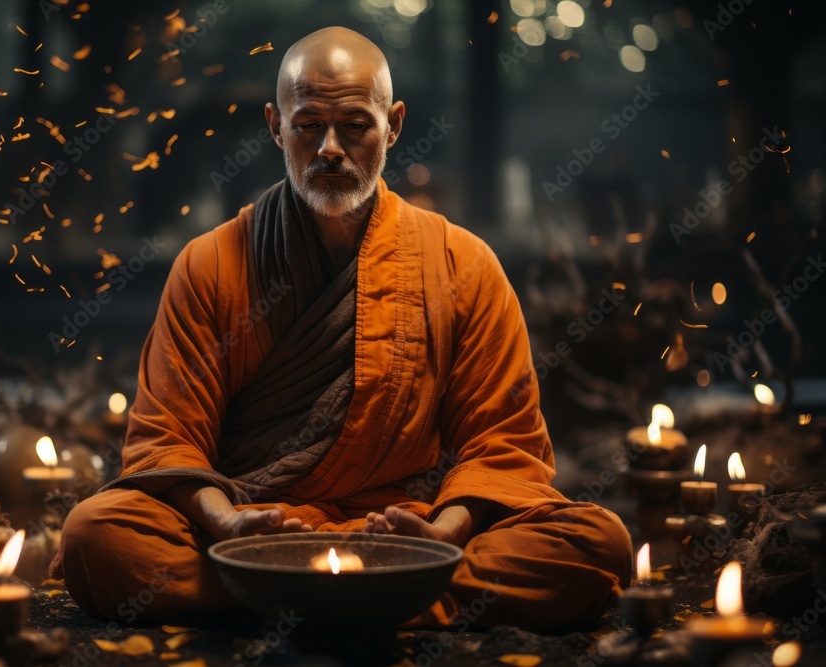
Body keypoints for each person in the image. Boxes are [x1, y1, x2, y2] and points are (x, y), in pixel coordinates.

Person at [50, 26, 632, 630]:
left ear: (394, 124)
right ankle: (383, 601)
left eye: (355, 125)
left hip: (402, 530)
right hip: (258, 528)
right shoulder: (210, 264)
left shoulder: (463, 265)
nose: (330, 147)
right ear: (276, 126)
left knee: (596, 540)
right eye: (308, 126)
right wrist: (225, 523)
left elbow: (502, 446)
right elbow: (166, 440)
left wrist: (439, 533)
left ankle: (275, 601)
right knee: (98, 534)